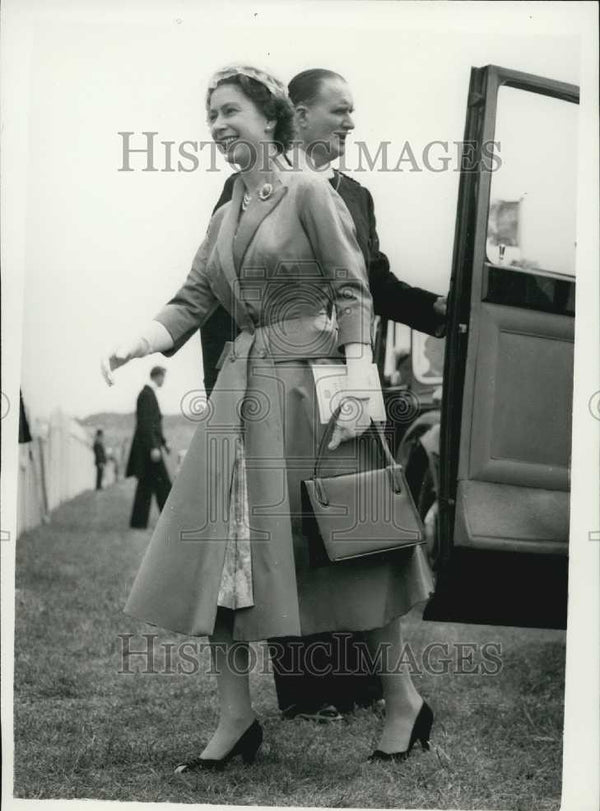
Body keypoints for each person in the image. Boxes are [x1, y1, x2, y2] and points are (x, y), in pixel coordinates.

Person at [102, 65, 434, 771]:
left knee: (359, 541)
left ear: (269, 116)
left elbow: (352, 288)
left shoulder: (310, 190)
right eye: (211, 116)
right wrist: (139, 342)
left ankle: (403, 701)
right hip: (243, 395)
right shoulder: (224, 213)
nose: (219, 126)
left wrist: (359, 381)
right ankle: (235, 719)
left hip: (319, 387)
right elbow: (193, 298)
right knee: (223, 554)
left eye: (230, 111)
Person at [206, 68, 447, 722]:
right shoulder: (245, 190)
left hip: (347, 379)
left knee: (358, 522)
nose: (350, 123)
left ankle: (371, 686)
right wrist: (221, 394)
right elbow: (221, 301)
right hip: (274, 385)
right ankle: (310, 689)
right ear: (300, 114)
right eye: (338, 111)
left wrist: (440, 309)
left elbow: (374, 284)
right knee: (287, 531)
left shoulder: (357, 195)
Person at [125, 366, 172, 529]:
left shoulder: (148, 394)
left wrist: (164, 443)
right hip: (149, 449)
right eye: (163, 377)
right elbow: (146, 423)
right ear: (157, 376)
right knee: (163, 484)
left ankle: (138, 523)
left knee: (146, 485)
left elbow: (153, 425)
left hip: (149, 447)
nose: (164, 380)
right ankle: (171, 520)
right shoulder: (147, 395)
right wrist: (154, 447)